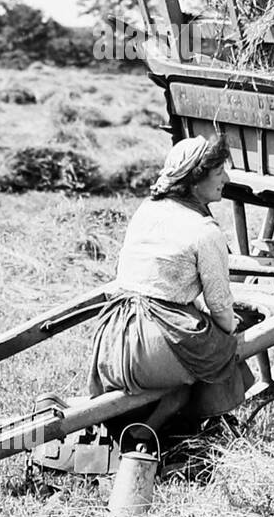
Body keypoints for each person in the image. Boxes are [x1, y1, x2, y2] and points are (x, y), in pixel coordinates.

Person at [88, 135, 252, 434]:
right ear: (195, 181)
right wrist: (230, 332)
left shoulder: (147, 211)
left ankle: (150, 428)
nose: (226, 179)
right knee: (223, 350)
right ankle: (169, 432)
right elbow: (219, 305)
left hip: (111, 337)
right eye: (219, 173)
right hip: (150, 346)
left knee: (190, 366)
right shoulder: (204, 231)